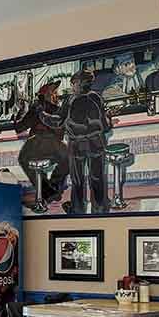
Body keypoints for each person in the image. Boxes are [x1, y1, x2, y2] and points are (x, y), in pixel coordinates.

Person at [39, 66, 111, 214]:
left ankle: (77, 209)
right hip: (97, 142)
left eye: (73, 84)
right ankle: (100, 209)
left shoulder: (70, 100)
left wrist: (41, 114)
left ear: (78, 84)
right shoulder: (96, 97)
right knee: (97, 177)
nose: (72, 87)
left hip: (77, 144)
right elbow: (104, 126)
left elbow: (57, 122)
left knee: (77, 180)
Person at [13, 80, 69, 208]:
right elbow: (63, 130)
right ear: (46, 95)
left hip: (35, 144)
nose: (57, 95)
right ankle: (53, 188)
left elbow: (19, 128)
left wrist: (20, 112)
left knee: (24, 159)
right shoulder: (57, 109)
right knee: (68, 158)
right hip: (52, 144)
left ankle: (48, 190)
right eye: (54, 92)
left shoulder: (35, 109)